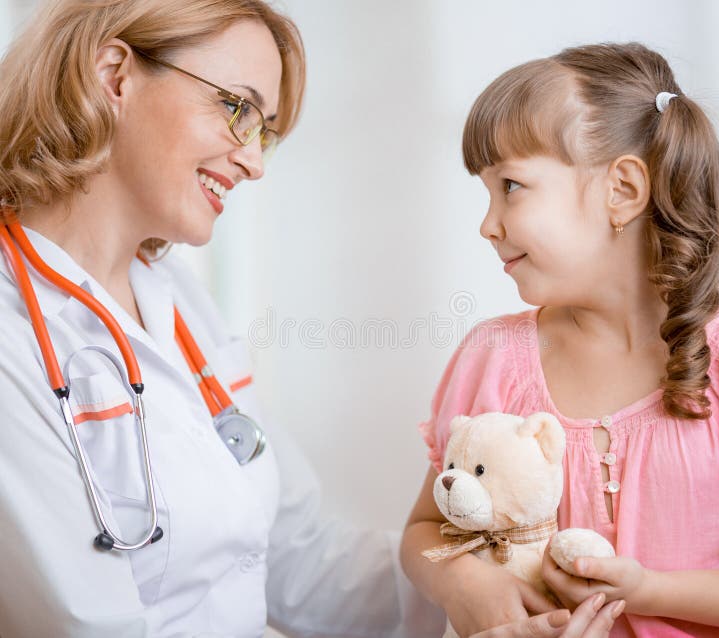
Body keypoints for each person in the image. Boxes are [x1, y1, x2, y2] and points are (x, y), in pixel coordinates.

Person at [0, 1, 454, 636]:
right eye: (236, 108)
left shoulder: (178, 298)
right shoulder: (12, 335)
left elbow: (292, 560)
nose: (255, 161)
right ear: (114, 77)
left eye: (262, 130)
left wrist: (472, 581)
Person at [400, 42, 719, 638]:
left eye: (510, 185)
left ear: (623, 190)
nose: (487, 224)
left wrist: (649, 590)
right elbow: (422, 533)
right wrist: (467, 585)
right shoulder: (492, 359)